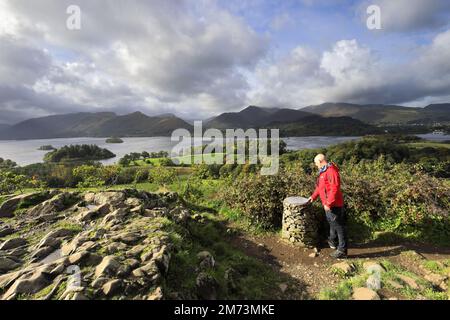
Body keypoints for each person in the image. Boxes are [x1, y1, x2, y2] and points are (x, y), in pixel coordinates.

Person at [307, 154, 347, 259]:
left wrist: (328, 203)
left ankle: (342, 250)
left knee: (338, 226)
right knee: (332, 223)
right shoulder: (324, 171)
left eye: (316, 163)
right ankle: (332, 241)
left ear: (320, 161)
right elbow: (320, 187)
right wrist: (313, 197)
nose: (316, 165)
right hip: (328, 204)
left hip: (334, 205)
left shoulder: (331, 171)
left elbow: (335, 188)